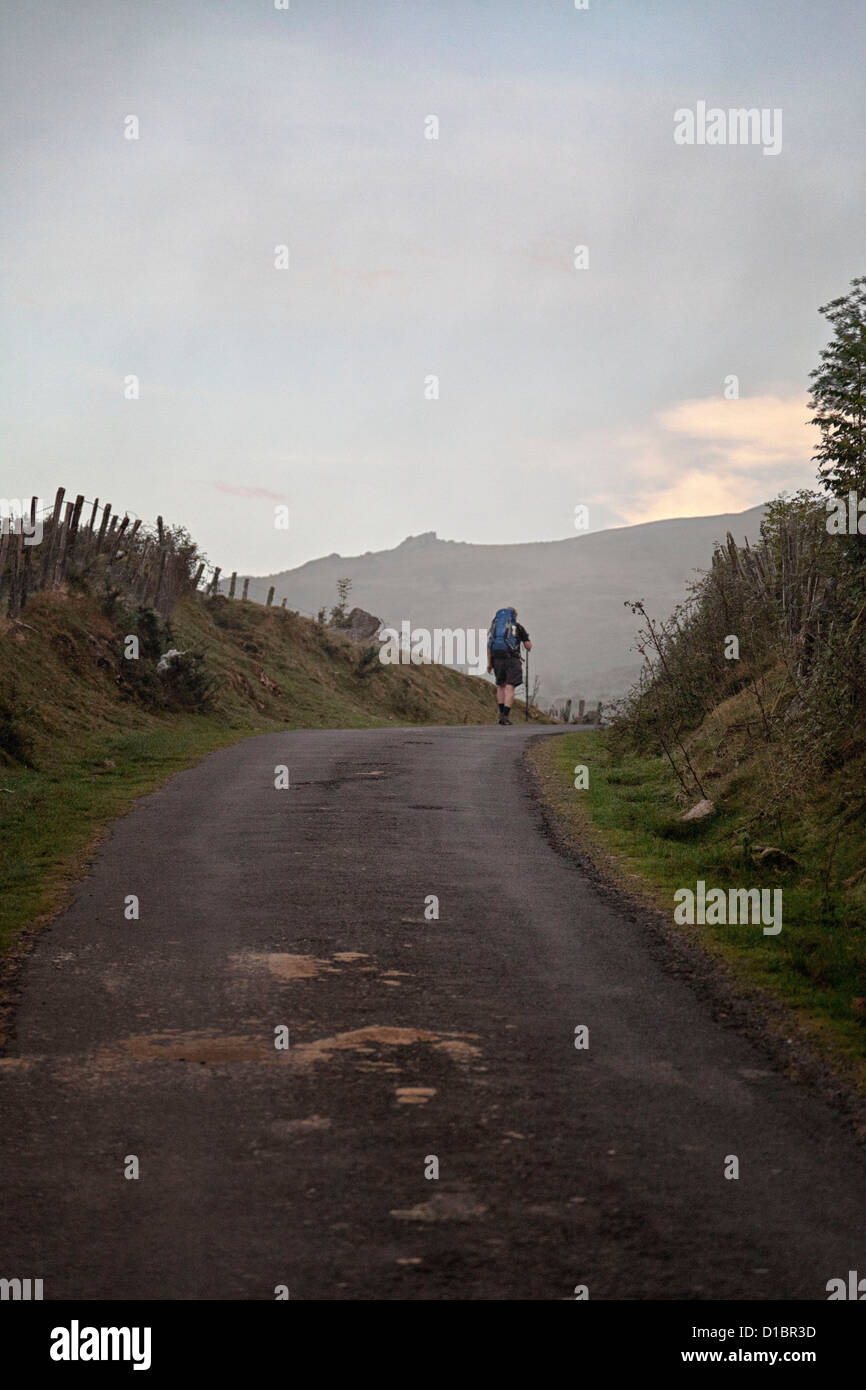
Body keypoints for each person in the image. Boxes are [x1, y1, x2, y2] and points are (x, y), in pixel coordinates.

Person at [486, 606, 532, 725]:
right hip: (512, 659)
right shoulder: (518, 627)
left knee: (500, 686)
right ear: (514, 616)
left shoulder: (494, 628)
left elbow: (489, 645)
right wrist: (526, 639)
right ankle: (505, 716)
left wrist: (489, 663)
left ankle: (501, 714)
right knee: (510, 687)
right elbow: (528, 646)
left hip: (497, 659)